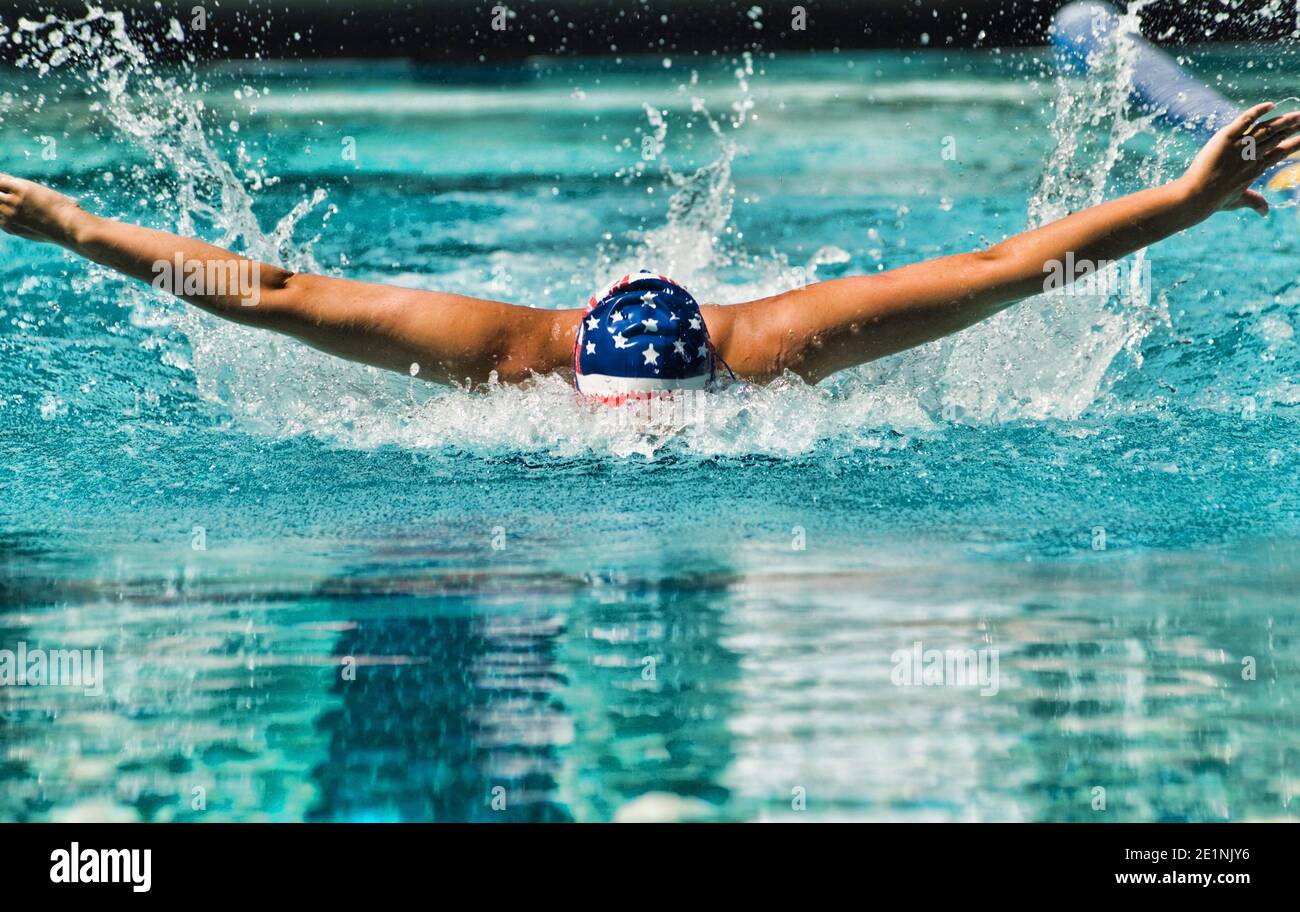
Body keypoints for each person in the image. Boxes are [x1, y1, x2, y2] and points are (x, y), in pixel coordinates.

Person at [1, 102, 1296, 399]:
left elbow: (1000, 273)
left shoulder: (772, 350)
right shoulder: (510, 360)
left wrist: (1183, 203)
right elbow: (270, 293)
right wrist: (68, 225)